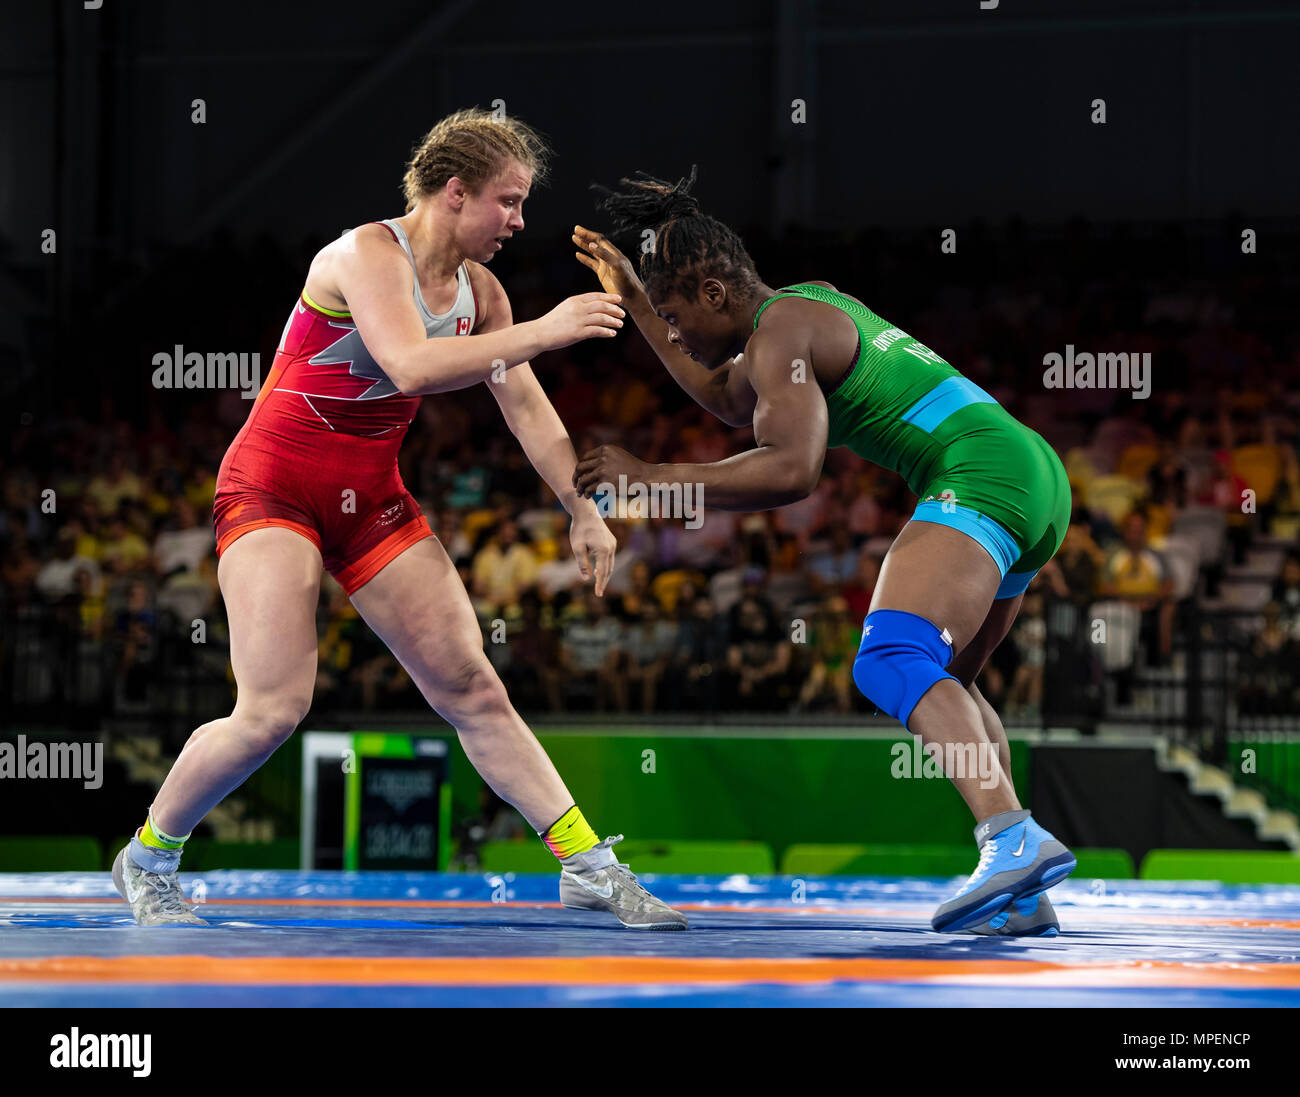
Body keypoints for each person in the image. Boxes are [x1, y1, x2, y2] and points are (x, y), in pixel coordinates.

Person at [112, 109, 685, 931]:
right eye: (509, 201)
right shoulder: (362, 254)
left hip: (369, 496)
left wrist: (583, 507)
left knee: (473, 686)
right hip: (272, 486)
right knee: (273, 706)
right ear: (456, 192)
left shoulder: (483, 293)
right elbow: (409, 362)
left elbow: (523, 403)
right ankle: (150, 856)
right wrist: (547, 330)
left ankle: (587, 863)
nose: (520, 221)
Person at [571, 167, 1075, 935]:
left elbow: (791, 470)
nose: (674, 336)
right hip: (1033, 474)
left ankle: (1011, 839)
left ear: (713, 293)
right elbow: (721, 392)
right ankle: (1023, 887)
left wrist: (648, 477)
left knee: (889, 659)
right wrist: (639, 301)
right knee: (947, 684)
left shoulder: (780, 336)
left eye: (676, 316)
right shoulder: (800, 308)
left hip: (985, 472)